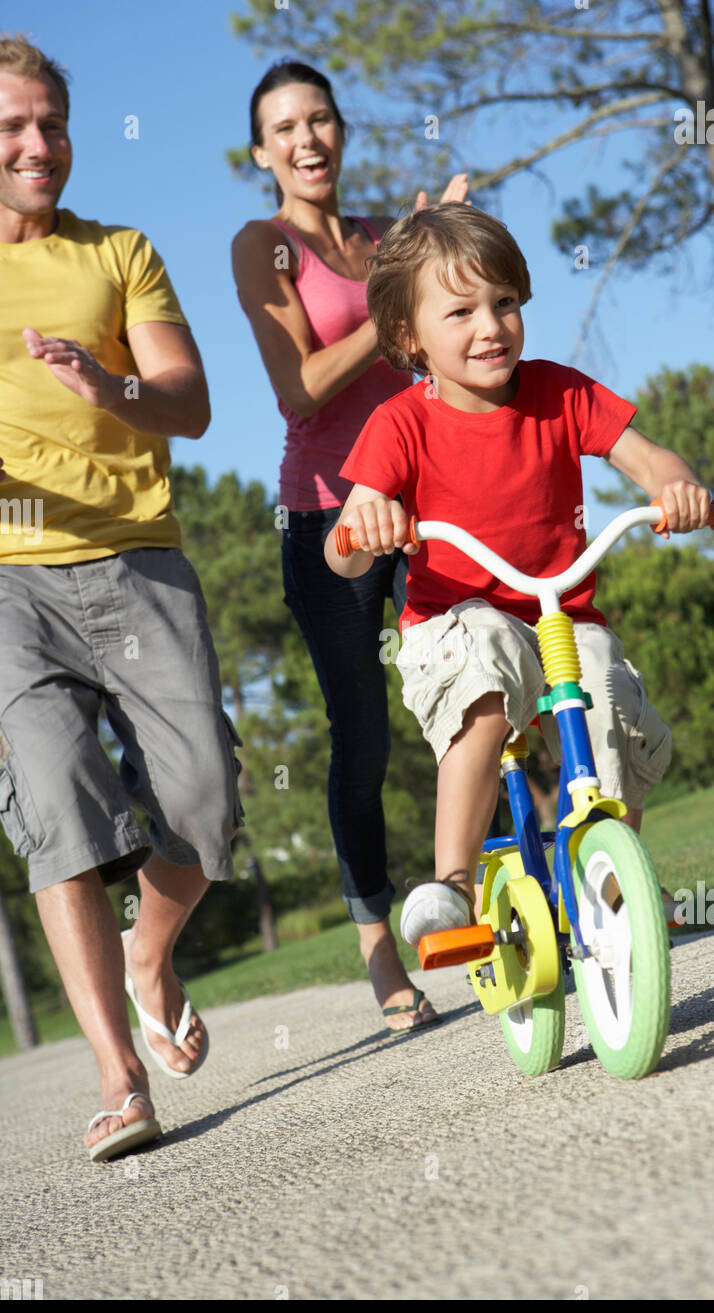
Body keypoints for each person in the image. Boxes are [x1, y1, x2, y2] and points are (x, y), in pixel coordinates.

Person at [324, 203, 713, 941]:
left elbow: (647, 456)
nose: (490, 326)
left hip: (560, 618)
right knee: (488, 663)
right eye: (461, 311)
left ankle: (616, 870)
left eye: (504, 303)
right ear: (409, 337)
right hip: (454, 625)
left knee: (610, 693)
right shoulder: (401, 425)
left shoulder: (559, 392)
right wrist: (366, 524)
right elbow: (341, 550)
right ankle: (455, 881)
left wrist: (674, 485)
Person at [0, 36, 243, 1160]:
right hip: (8, 579)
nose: (38, 145)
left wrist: (112, 385)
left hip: (135, 557)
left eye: (50, 122)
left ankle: (152, 951)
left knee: (206, 802)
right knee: (59, 810)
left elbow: (188, 402)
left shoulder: (119, 251)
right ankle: (118, 1077)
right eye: (13, 126)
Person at [231, 61, 468, 1030]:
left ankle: (523, 888)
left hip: (419, 500)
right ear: (262, 153)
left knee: (485, 682)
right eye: (285, 127)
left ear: (340, 127)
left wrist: (437, 263)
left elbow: (425, 355)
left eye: (319, 118)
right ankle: (378, 945)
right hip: (326, 516)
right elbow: (301, 387)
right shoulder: (263, 245)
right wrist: (390, 287)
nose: (307, 139)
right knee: (363, 735)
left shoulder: (380, 236)